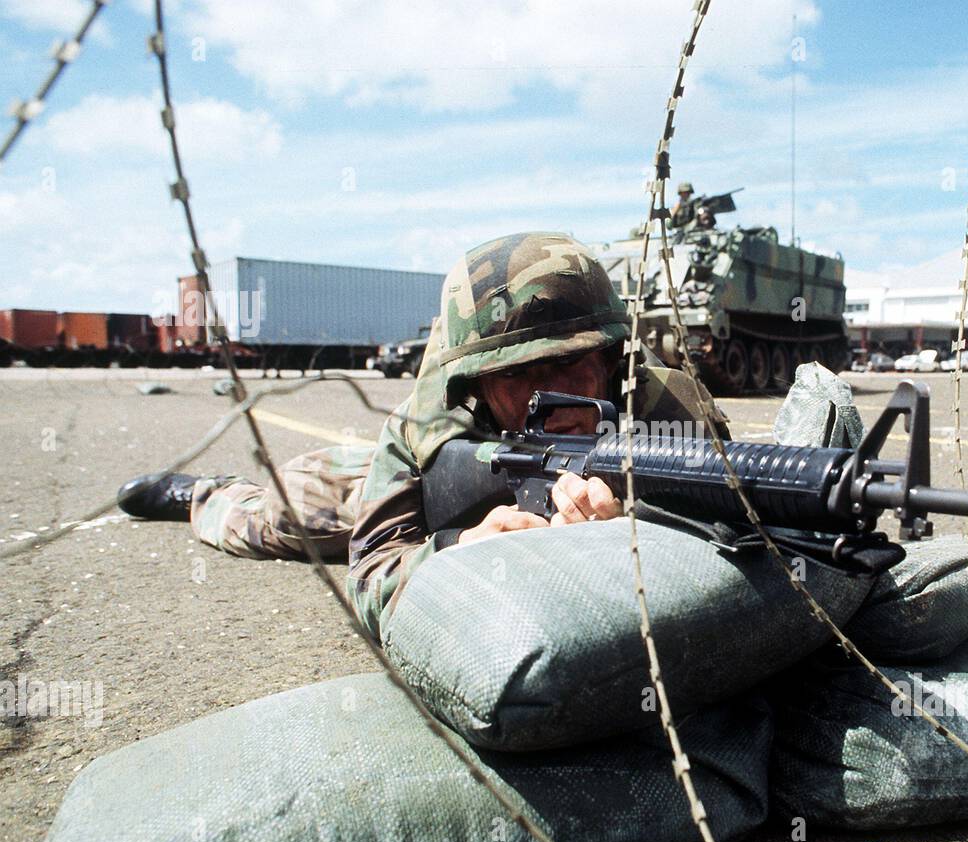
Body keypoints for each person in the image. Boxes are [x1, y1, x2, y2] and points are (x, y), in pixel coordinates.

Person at [116, 231, 730, 640]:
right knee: (291, 511)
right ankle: (206, 495)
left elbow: (735, 529)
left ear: (611, 356)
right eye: (515, 374)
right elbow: (372, 573)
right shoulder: (430, 422)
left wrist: (638, 525)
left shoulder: (668, 409)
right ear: (475, 384)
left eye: (572, 363)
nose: (550, 393)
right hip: (423, 481)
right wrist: (458, 549)